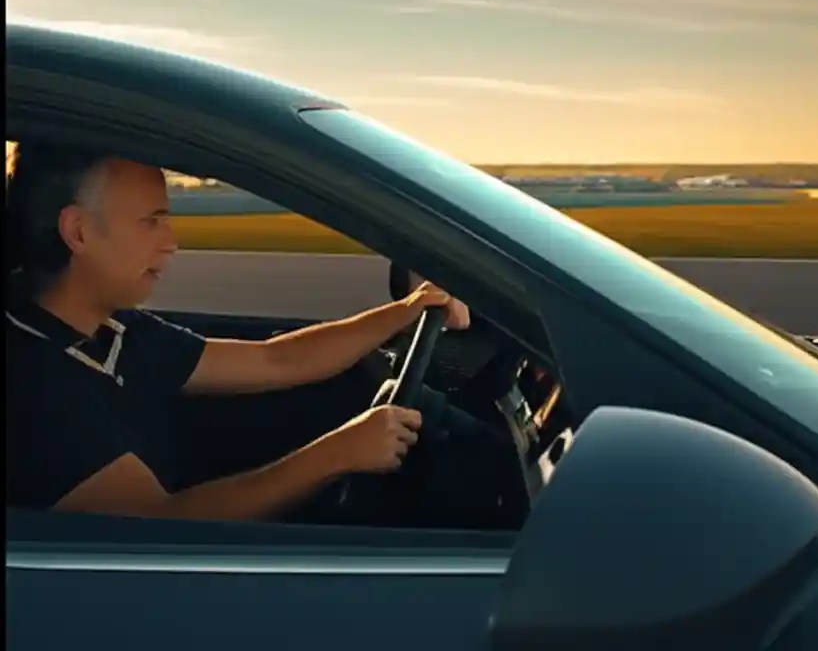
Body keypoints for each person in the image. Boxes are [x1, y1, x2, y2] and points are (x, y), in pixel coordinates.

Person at [5, 141, 471, 521]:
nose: (171, 242)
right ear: (79, 232)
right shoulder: (30, 381)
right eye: (151, 221)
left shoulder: (113, 330)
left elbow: (276, 360)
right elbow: (160, 522)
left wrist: (407, 311)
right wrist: (340, 453)